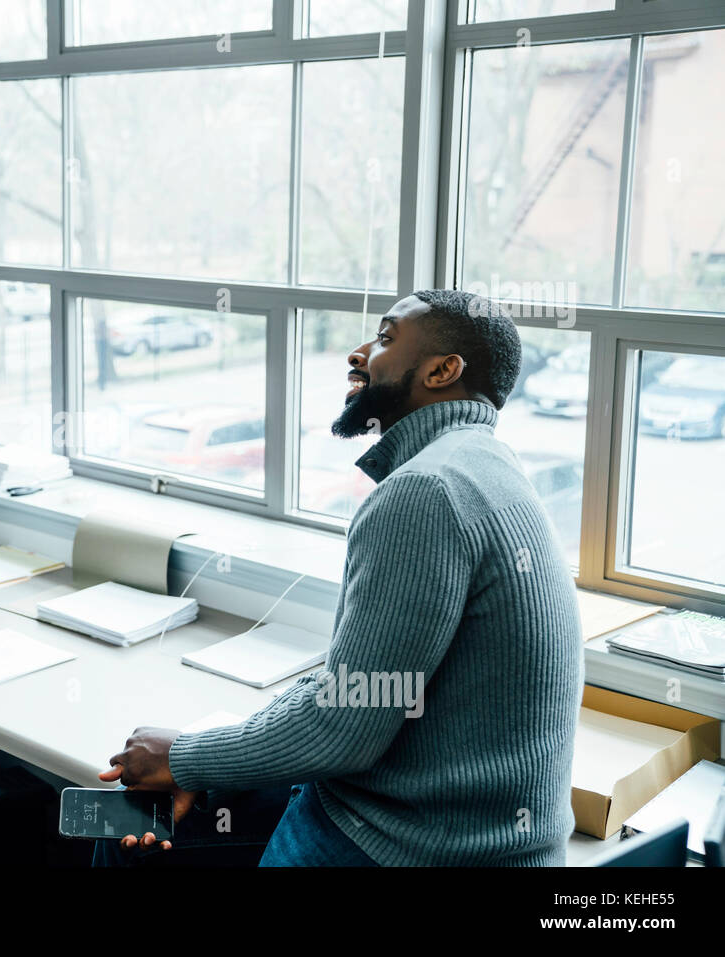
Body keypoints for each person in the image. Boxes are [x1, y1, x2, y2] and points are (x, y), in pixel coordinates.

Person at [97, 290, 583, 867]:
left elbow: (344, 729)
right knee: (156, 825)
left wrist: (185, 757)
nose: (357, 354)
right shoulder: (481, 466)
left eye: (383, 338)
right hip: (455, 829)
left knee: (127, 840)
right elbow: (355, 687)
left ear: (443, 370)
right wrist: (213, 759)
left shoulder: (426, 491)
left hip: (408, 848)